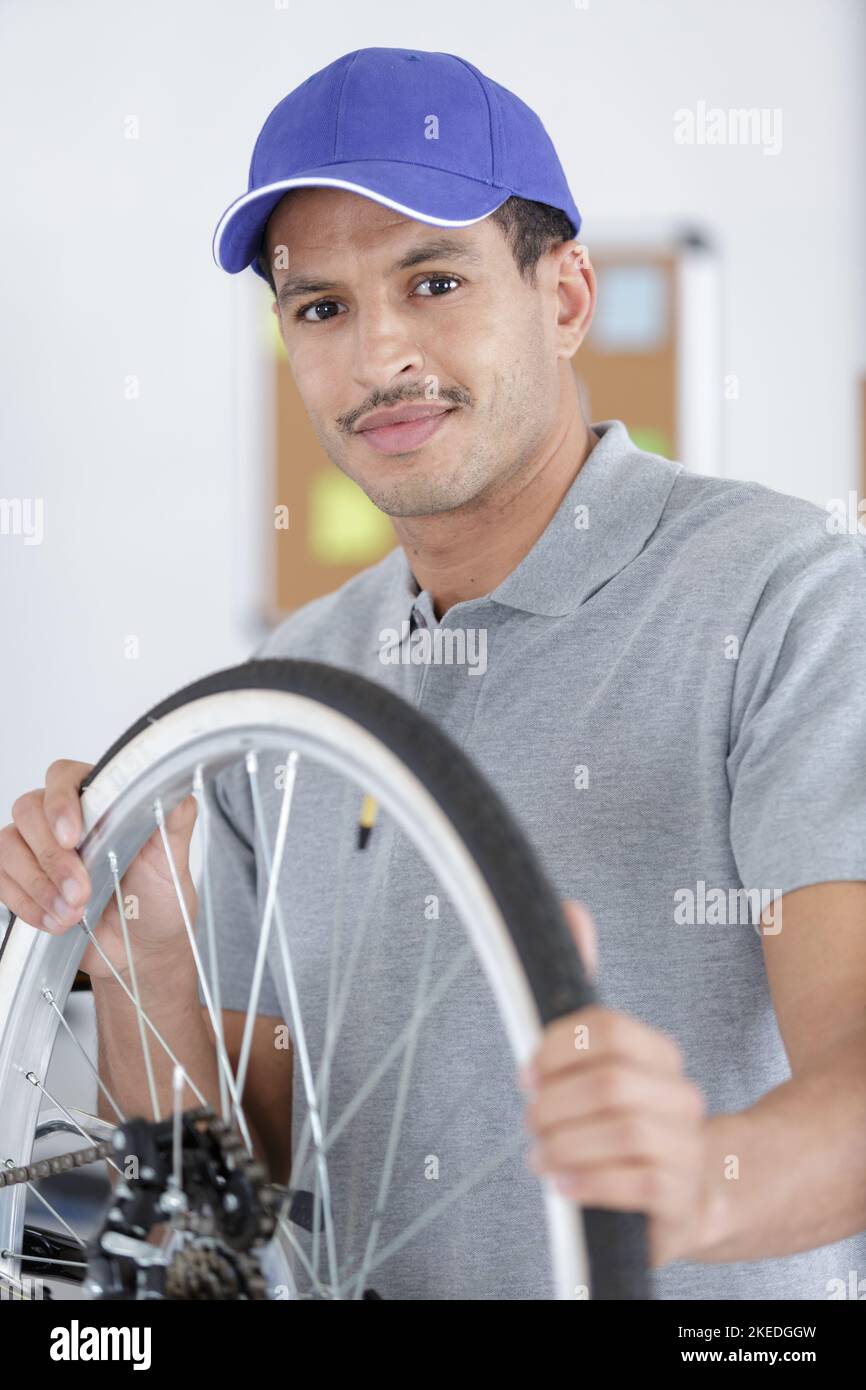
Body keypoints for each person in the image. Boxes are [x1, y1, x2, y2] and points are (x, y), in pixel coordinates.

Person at [2, 46, 865, 1301]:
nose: (376, 357)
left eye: (434, 279)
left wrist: (692, 1179)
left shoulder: (789, 596)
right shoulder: (289, 693)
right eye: (321, 308)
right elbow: (224, 1218)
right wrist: (149, 955)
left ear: (565, 296)